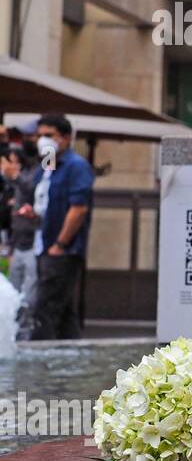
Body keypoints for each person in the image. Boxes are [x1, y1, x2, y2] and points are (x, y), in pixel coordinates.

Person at [31, 114, 94, 341]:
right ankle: (72, 363)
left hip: (61, 250)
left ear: (65, 138)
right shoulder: (47, 165)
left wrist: (60, 244)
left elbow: (78, 209)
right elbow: (42, 198)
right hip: (43, 244)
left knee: (45, 309)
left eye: (48, 135)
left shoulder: (76, 166)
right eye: (38, 136)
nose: (42, 140)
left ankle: (40, 362)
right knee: (63, 311)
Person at [1, 144, 41, 338]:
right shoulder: (14, 181)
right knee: (13, 290)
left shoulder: (37, 171)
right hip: (18, 242)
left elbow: (34, 190)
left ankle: (27, 330)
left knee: (30, 293)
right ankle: (15, 331)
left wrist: (16, 177)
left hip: (33, 242)